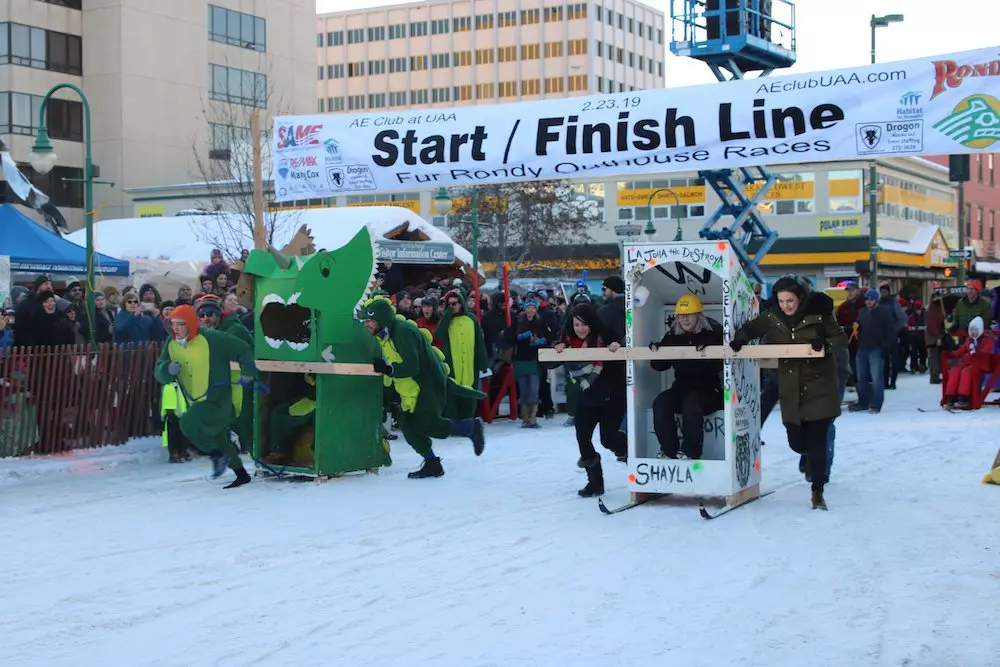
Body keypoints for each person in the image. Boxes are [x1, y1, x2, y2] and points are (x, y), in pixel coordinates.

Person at [730, 274, 847, 511]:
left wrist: (823, 345)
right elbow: (753, 328)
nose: (786, 306)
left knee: (817, 443)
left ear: (800, 298)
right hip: (791, 388)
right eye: (782, 301)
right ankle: (812, 461)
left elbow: (840, 338)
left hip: (819, 387)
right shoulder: (774, 317)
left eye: (790, 301)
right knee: (797, 442)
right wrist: (741, 338)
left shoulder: (819, 314)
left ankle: (817, 491)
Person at [362, 296, 485, 478]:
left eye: (369, 320)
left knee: (429, 425)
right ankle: (432, 464)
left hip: (427, 386)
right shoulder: (385, 336)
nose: (366, 325)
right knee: (409, 427)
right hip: (409, 390)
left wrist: (388, 369)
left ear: (381, 318)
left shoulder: (403, 332)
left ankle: (470, 428)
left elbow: (413, 366)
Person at [153, 305, 257, 488]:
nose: (175, 328)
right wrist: (166, 369)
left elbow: (243, 349)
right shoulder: (171, 344)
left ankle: (217, 455)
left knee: (187, 423)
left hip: (220, 401)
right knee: (219, 437)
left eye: (180, 324)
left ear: (191, 324)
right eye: (172, 324)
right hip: (196, 401)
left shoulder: (213, 339)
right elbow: (158, 371)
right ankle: (241, 474)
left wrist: (248, 372)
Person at [553, 303, 626, 498]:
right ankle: (595, 482)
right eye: (577, 325)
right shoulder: (567, 340)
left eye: (584, 324)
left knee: (608, 438)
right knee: (582, 437)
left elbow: (623, 349)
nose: (580, 329)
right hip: (588, 395)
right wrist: (557, 347)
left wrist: (617, 346)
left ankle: (631, 453)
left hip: (612, 395)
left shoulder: (604, 336)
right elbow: (551, 360)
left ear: (592, 324)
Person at [648, 294, 723, 460]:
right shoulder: (673, 335)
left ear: (698, 315)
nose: (685, 319)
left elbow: (720, 359)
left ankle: (690, 452)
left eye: (689, 315)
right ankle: (669, 451)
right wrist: (657, 352)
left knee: (692, 403)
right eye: (681, 315)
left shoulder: (712, 333)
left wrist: (710, 349)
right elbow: (659, 367)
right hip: (681, 389)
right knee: (661, 402)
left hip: (708, 390)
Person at [437, 287, 489, 423]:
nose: (452, 306)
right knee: (452, 394)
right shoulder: (447, 321)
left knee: (469, 393)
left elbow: (479, 342)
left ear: (461, 303)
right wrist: (447, 315)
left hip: (470, 365)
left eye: (454, 303)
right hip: (452, 366)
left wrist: (483, 363)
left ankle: (467, 421)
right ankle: (452, 422)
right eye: (449, 304)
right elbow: (439, 334)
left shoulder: (471, 319)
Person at [507, 297, 552, 428]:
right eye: (528, 307)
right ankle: (525, 418)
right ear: (524, 308)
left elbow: (548, 337)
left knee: (533, 390)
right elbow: (510, 337)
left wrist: (541, 341)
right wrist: (521, 336)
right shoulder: (518, 321)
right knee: (524, 391)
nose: (531, 310)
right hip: (520, 361)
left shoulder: (540, 323)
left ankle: (533, 418)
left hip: (534, 360)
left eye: (533, 308)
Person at [850, 289, 896, 414]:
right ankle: (863, 402)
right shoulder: (863, 312)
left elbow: (890, 332)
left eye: (871, 299)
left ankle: (876, 404)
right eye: (866, 299)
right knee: (861, 377)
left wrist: (885, 347)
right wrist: (855, 328)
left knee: (877, 379)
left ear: (876, 300)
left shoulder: (883, 313)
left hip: (876, 349)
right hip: (862, 348)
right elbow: (858, 327)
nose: (868, 302)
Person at [944, 316, 994, 410]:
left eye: (975, 330)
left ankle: (964, 397)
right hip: (968, 363)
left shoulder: (986, 339)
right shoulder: (969, 340)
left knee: (966, 372)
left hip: (981, 364)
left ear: (980, 329)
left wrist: (973, 355)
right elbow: (961, 350)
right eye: (971, 330)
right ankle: (951, 396)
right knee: (955, 370)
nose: (973, 332)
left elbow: (985, 352)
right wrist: (951, 354)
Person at [836, 281, 865, 385]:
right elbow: (838, 322)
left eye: (852, 290)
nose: (850, 293)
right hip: (849, 341)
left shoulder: (864, 304)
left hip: (863, 340)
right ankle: (855, 381)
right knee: (851, 362)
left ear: (857, 290)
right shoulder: (843, 306)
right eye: (848, 291)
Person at [925, 294, 947, 384]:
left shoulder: (937, 310)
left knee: (936, 357)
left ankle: (935, 375)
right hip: (933, 338)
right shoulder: (931, 311)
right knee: (934, 358)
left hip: (936, 337)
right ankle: (934, 376)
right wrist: (938, 337)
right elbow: (932, 325)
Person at [908, 300, 928, 374]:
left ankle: (922, 365)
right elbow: (909, 326)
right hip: (914, 337)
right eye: (917, 309)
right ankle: (913, 366)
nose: (918, 311)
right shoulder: (912, 316)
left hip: (922, 337)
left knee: (923, 352)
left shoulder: (925, 315)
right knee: (913, 353)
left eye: (919, 309)